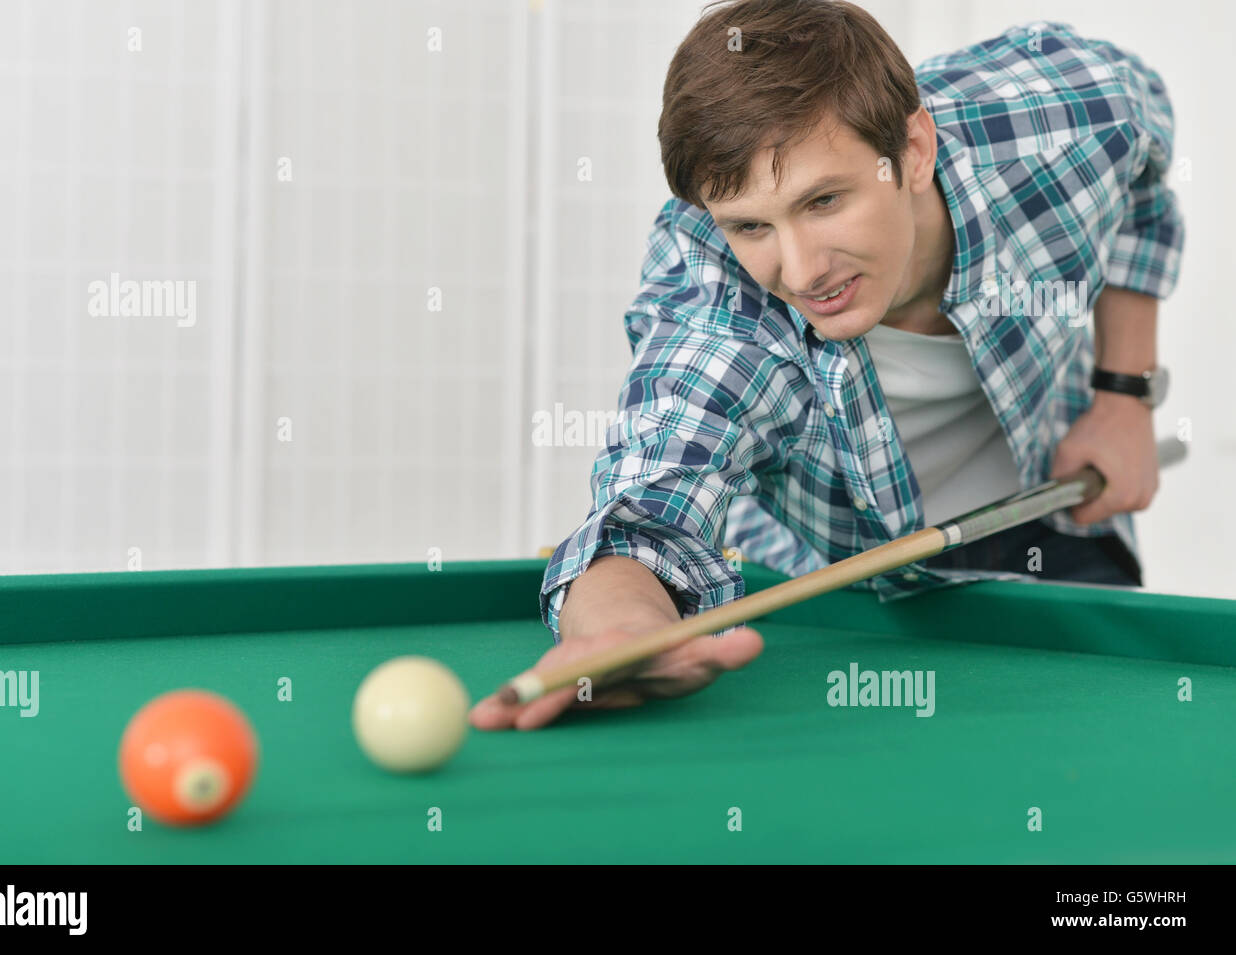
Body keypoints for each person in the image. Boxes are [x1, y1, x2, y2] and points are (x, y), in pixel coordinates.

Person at [470, 0, 1183, 731]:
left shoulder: (1055, 124)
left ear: (913, 150)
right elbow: (650, 503)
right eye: (751, 224)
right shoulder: (723, 302)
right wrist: (616, 631)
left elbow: (1143, 162)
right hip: (838, 593)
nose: (803, 270)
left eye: (824, 201)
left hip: (1053, 520)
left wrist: (1124, 393)